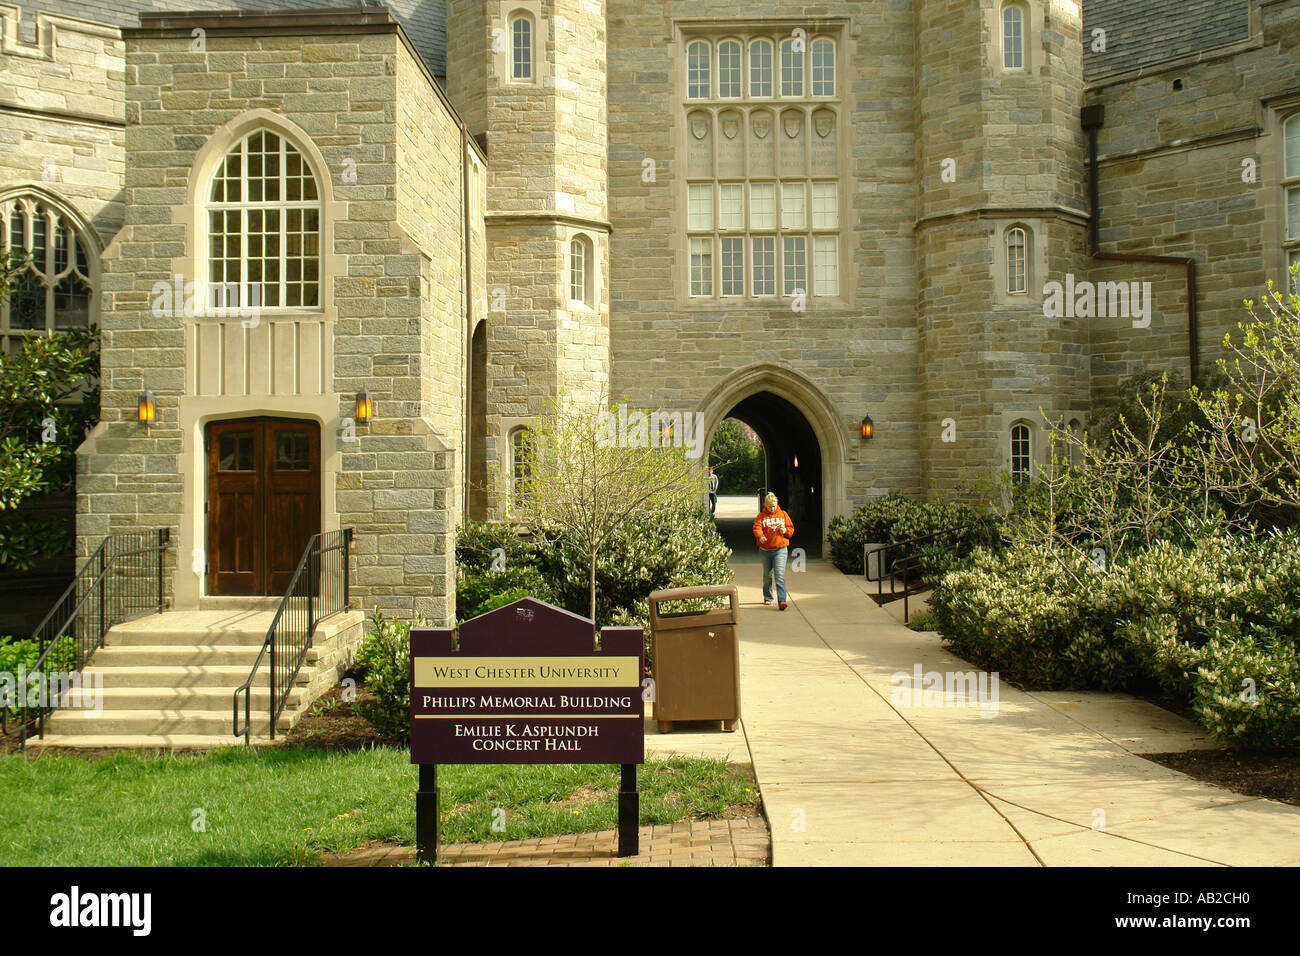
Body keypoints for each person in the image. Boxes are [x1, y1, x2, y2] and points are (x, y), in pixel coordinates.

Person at [753, 491, 794, 610]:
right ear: (765, 505)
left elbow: (791, 529)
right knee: (767, 575)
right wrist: (760, 536)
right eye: (769, 506)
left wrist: (785, 531)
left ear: (777, 504)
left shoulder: (783, 514)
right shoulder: (761, 516)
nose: (772, 508)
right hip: (765, 550)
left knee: (779, 575)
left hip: (780, 549)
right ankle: (768, 597)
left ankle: (782, 600)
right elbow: (756, 527)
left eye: (774, 506)